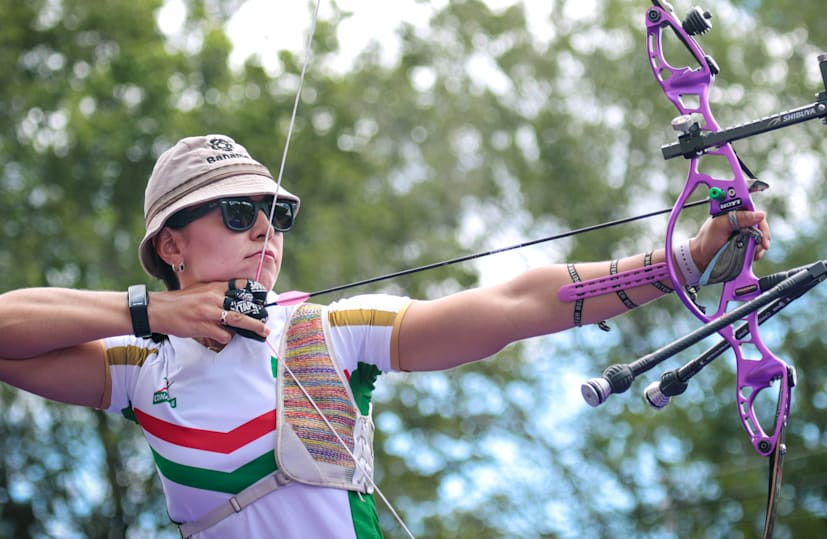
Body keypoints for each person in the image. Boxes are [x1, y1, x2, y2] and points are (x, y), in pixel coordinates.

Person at [0, 134, 771, 538]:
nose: (265, 230)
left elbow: (512, 304)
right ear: (172, 244)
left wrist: (684, 262)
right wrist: (150, 314)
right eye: (238, 214)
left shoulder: (322, 333)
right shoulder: (140, 367)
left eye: (276, 215)